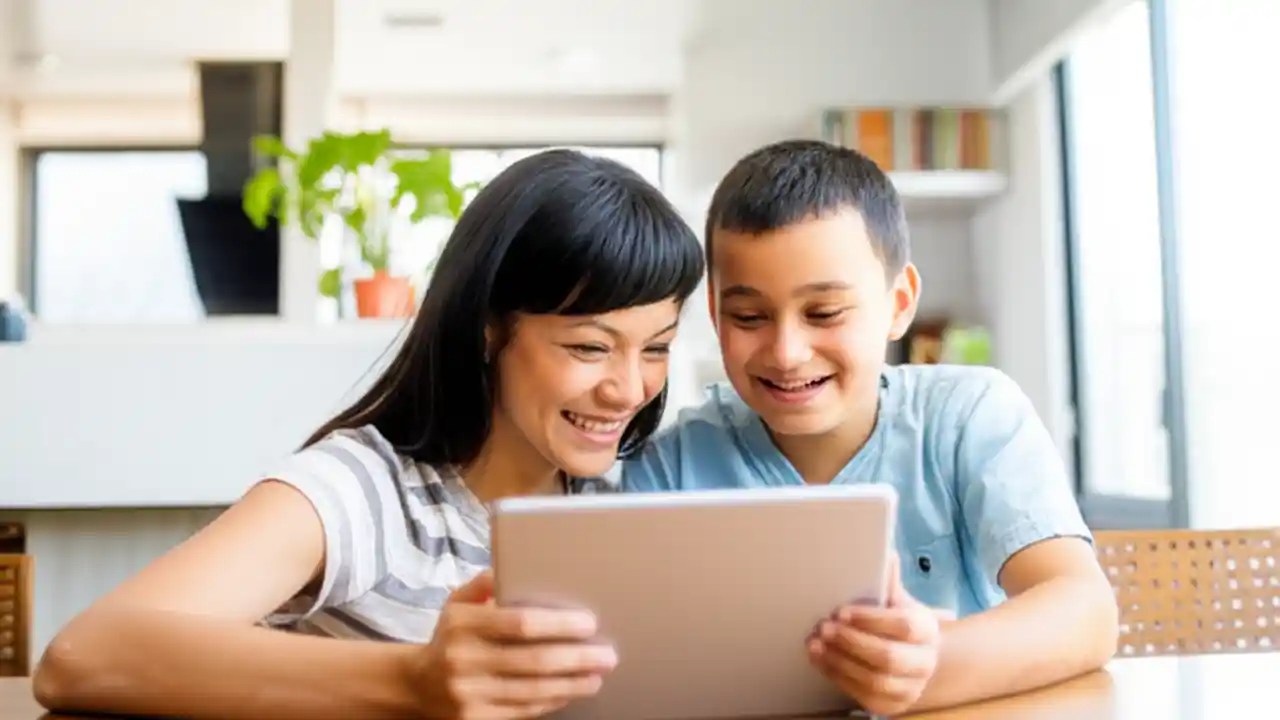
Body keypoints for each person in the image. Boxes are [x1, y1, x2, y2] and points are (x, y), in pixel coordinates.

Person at [34, 149, 705, 720]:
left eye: (656, 349)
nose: (628, 389)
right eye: (590, 348)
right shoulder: (366, 490)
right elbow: (83, 653)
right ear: (488, 329)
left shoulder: (621, 504)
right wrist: (414, 680)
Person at [623, 140, 1118, 716]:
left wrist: (930, 662)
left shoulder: (970, 415)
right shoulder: (669, 466)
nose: (786, 352)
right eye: (749, 317)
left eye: (824, 313)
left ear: (899, 303)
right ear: (714, 314)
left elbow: (1085, 609)